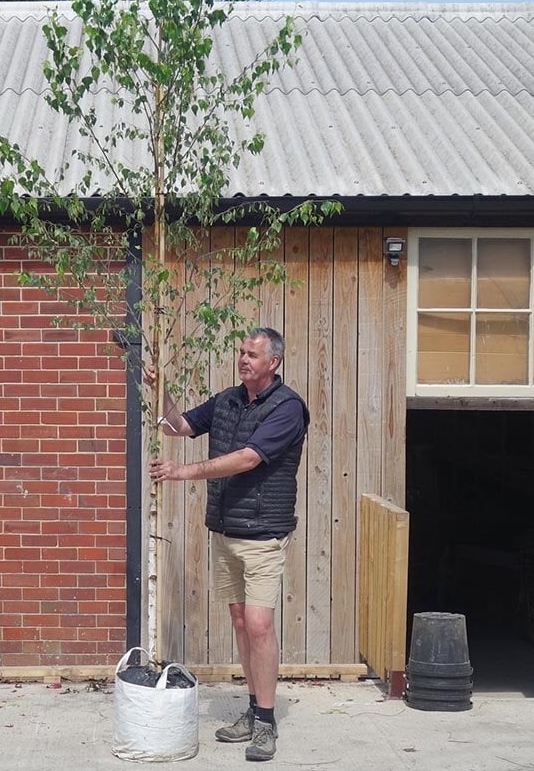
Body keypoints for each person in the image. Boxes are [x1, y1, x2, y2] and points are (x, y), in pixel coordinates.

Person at [147, 326, 309, 763]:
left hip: (263, 534)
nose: (243, 359)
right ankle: (253, 709)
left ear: (273, 362)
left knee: (259, 625)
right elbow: (179, 426)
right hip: (225, 532)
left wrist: (183, 472)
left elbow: (249, 458)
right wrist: (159, 391)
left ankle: (266, 724)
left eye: (252, 354)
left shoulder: (288, 407)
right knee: (240, 622)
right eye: (241, 352)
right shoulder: (228, 400)